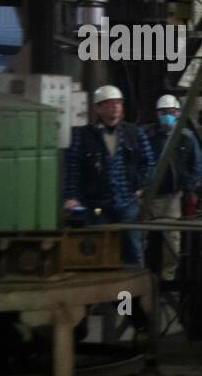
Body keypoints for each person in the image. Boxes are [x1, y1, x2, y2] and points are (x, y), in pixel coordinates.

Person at [63, 85, 154, 266]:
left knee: (133, 251)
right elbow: (72, 168)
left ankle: (132, 291)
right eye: (109, 103)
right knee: (97, 251)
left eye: (118, 103)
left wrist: (140, 186)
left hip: (127, 202)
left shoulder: (134, 133)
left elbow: (149, 163)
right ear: (98, 108)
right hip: (96, 204)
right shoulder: (82, 136)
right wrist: (71, 197)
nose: (114, 107)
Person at [144, 94, 202, 283]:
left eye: (171, 112)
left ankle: (168, 276)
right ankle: (142, 275)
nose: (167, 115)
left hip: (172, 197)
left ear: (178, 113)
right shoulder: (147, 135)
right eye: (163, 112)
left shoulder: (186, 138)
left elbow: (197, 165)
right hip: (147, 197)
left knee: (171, 239)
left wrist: (189, 188)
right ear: (157, 113)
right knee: (142, 237)